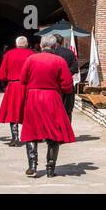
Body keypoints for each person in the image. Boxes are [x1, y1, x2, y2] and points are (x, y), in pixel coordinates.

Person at [18, 37, 76, 177]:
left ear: (41, 45)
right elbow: (67, 85)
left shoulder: (31, 59)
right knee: (54, 133)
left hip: (34, 97)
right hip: (52, 98)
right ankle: (50, 169)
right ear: (54, 46)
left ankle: (32, 166)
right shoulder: (59, 61)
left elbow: (23, 79)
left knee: (31, 131)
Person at [0, 36, 34, 145]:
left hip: (13, 85)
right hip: (28, 86)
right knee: (29, 111)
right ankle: (29, 136)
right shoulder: (32, 54)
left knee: (13, 111)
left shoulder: (8, 54)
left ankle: (15, 137)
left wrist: (3, 86)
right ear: (26, 44)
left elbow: (2, 74)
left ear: (16, 44)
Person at [50, 33, 80, 120]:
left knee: (53, 112)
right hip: (67, 85)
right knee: (67, 111)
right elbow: (75, 68)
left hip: (53, 86)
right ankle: (67, 131)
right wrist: (66, 75)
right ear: (62, 41)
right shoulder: (70, 53)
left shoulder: (50, 53)